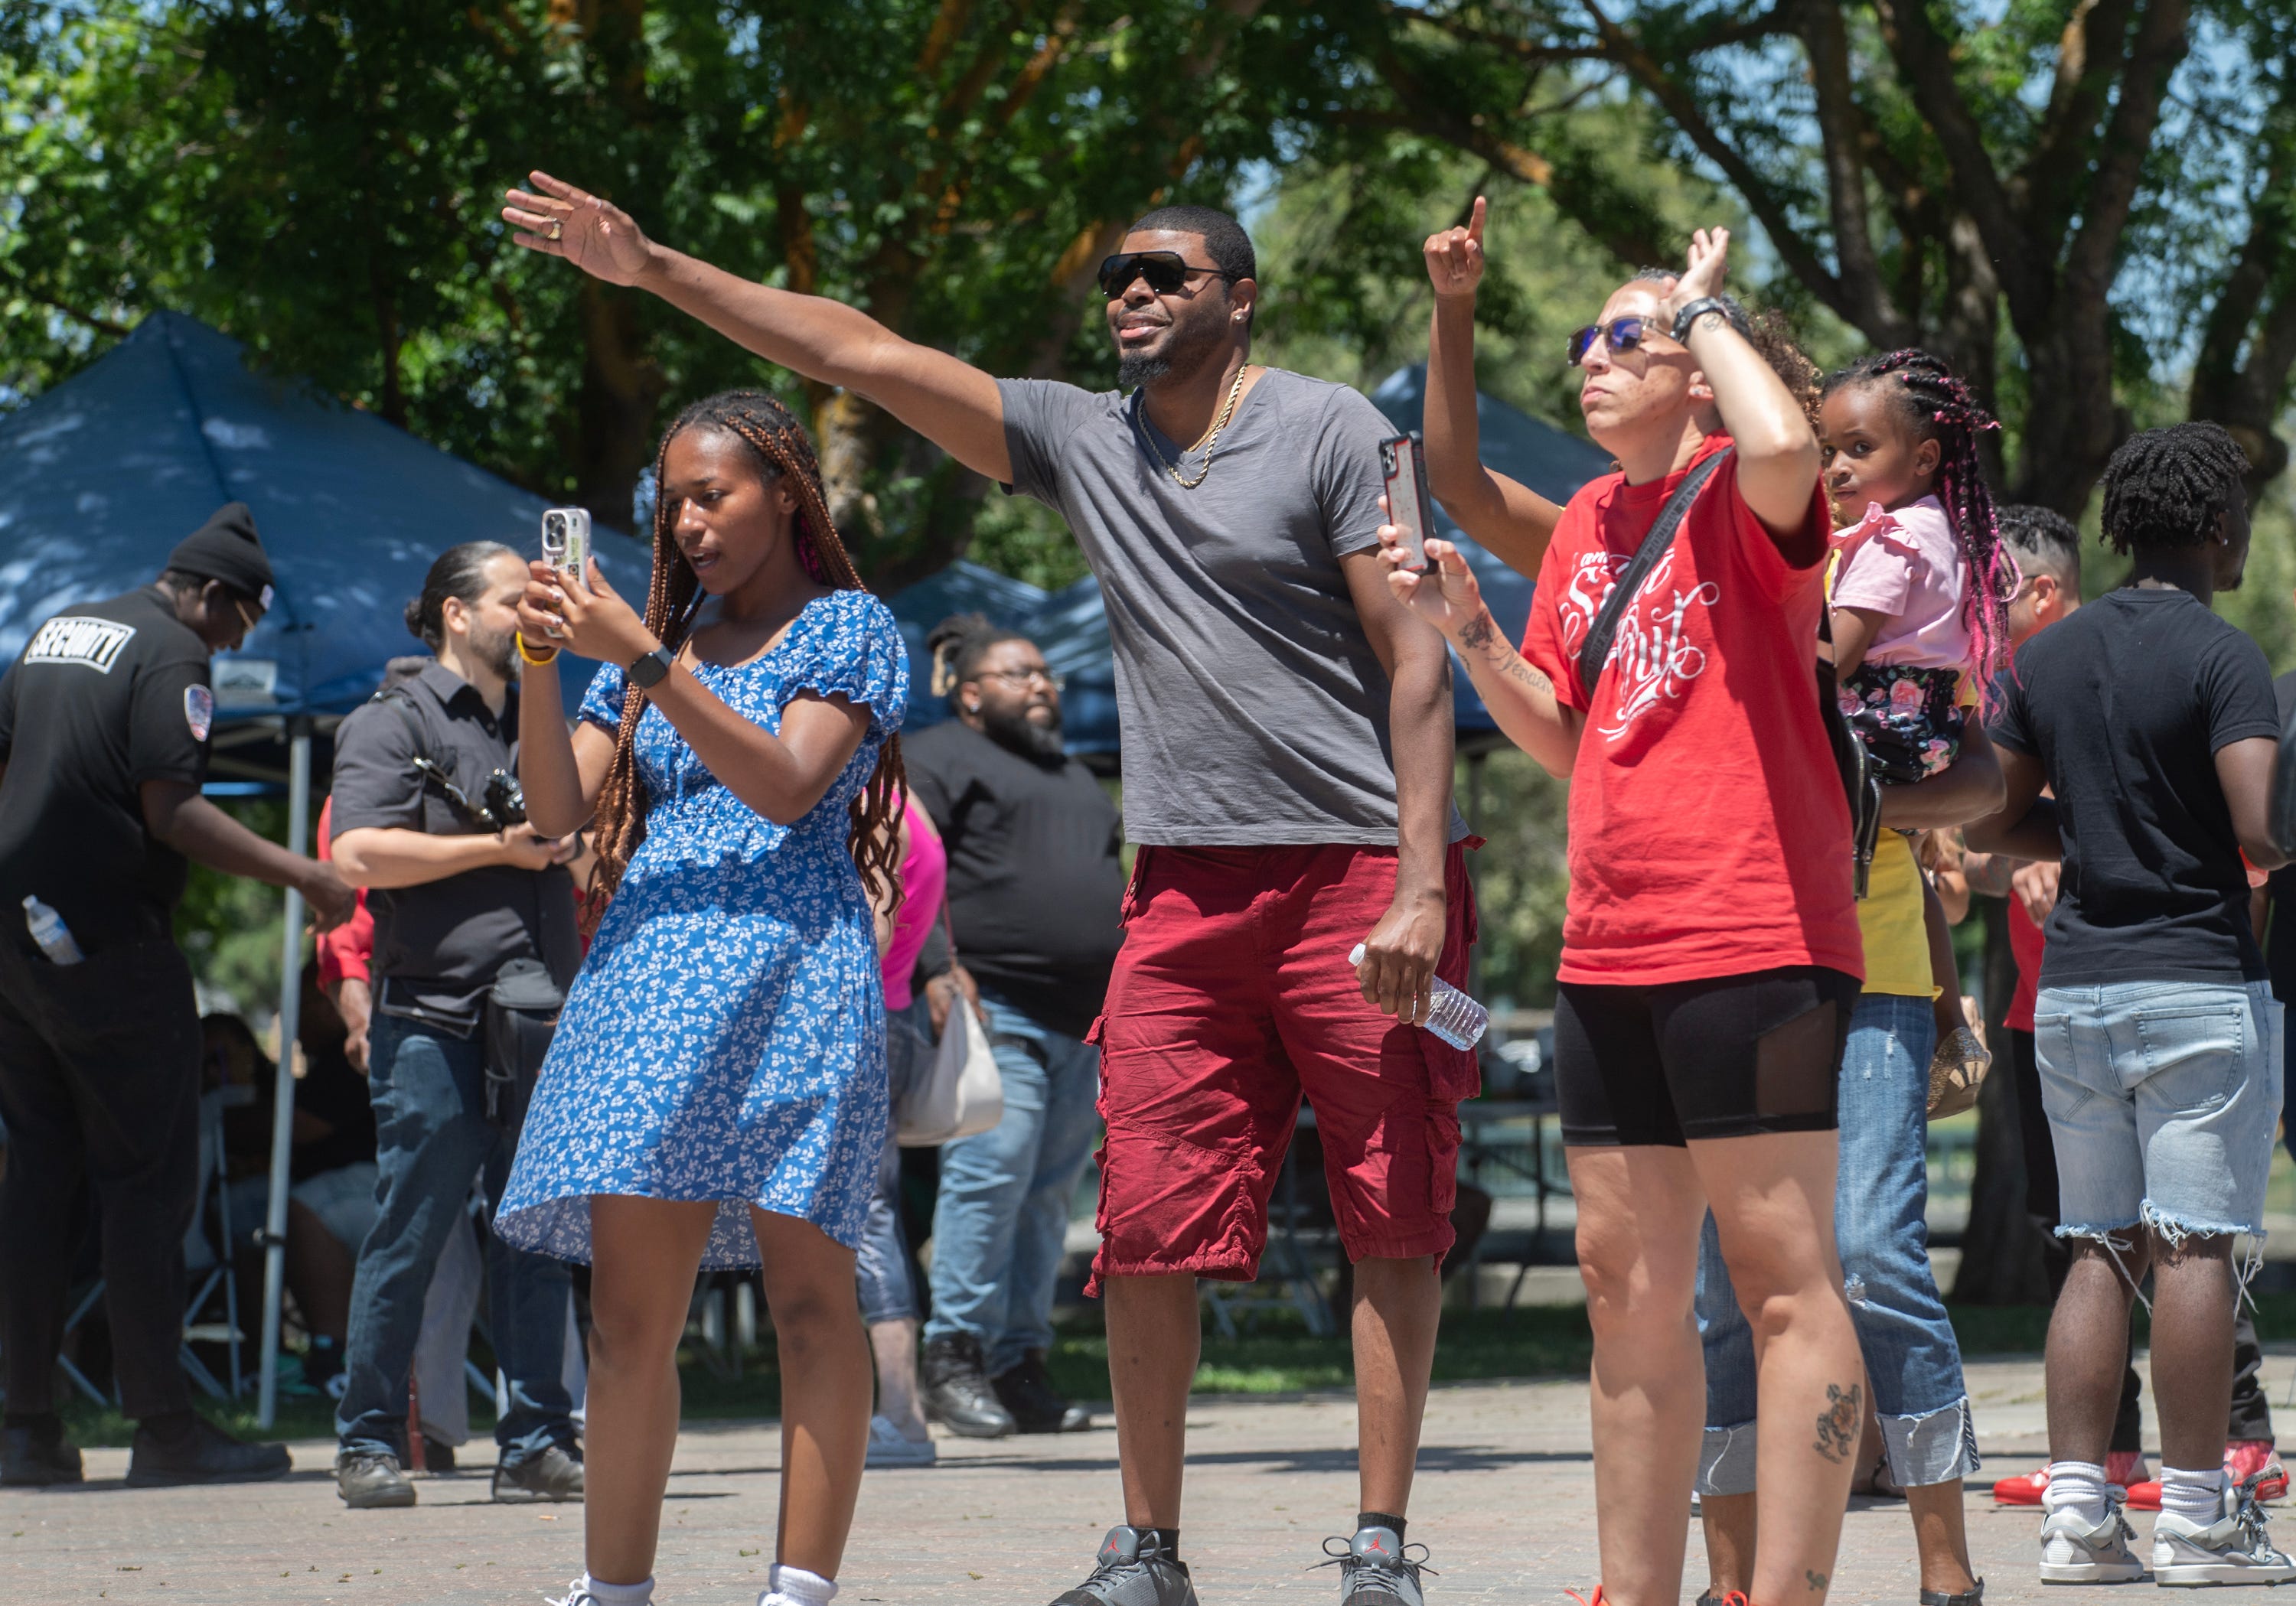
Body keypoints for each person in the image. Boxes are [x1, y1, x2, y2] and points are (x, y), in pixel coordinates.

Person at [501, 170, 1474, 1606]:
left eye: (1168, 273)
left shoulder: (1331, 423)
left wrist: (1421, 883)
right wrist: (653, 269)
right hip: (1188, 881)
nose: (1133, 293)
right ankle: (1148, 1548)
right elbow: (858, 353)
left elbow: (1412, 655)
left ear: (1240, 294)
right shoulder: (1085, 438)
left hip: (1355, 865)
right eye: (1120, 278)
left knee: (1394, 1198)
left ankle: (1380, 1541)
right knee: (1146, 1214)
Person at [1386, 219, 1867, 1606]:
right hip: (1610, 943)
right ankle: (1632, 1588)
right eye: (1587, 340)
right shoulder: (1593, 521)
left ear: (1702, 376)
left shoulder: (1741, 486)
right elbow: (1568, 735)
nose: (1592, 360)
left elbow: (1788, 444)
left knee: (1783, 1276)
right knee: (1623, 1286)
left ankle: (1787, 1589)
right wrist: (1474, 631)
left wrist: (1699, 308)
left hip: (1754, 930)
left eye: (1623, 339)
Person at [494, 391, 908, 1606]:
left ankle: (797, 1588)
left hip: (793, 973)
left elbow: (786, 783)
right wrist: (536, 662)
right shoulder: (651, 651)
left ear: (785, 489)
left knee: (810, 1300)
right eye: (670, 501)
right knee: (627, 1316)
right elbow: (559, 817)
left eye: (710, 494)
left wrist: (640, 655)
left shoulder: (851, 626)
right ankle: (614, 1588)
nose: (685, 522)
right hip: (649, 983)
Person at [1691, 350, 2021, 1606]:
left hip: (1868, 955)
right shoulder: (1729, 537)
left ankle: (1947, 1568)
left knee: (1878, 1253)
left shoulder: (1875, 555)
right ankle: (1739, 1579)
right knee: (1730, 1282)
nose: (1819, 464)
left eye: (1836, 444)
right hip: (1729, 956)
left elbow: (1981, 773)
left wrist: (1879, 806)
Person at [1969, 422, 2295, 1585]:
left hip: (2074, 990)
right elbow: (2259, 827)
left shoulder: (2045, 659)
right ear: (2215, 527)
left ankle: (2077, 1522)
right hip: (2198, 978)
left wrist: (2097, 834)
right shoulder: (2225, 656)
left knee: (2097, 1242)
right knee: (2198, 1241)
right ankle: (2201, 1518)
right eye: (2244, 515)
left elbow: (1997, 817)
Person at [0, 501, 354, 1489]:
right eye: (236, 619)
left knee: (35, 1183)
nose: (234, 639)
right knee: (145, 1183)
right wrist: (308, 876)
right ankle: (166, 1427)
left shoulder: (56, 630)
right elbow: (176, 810)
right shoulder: (171, 652)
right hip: (111, 945)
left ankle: (24, 1429)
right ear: (207, 591)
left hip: (15, 941)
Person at [324, 541, 587, 1509]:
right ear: (457, 615)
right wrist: (501, 848)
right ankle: (365, 1441)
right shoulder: (390, 721)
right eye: (517, 599)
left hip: (541, 1017)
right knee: (414, 1228)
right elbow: (356, 850)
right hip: (430, 1015)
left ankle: (535, 1440)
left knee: (536, 1231)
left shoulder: (544, 716)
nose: (534, 614)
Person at [905, 614, 1124, 1441]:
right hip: (994, 1004)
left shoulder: (1073, 775)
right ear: (968, 693)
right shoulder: (937, 755)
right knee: (989, 1180)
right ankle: (952, 1359)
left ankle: (1018, 1364)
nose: (1042, 685)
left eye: (1046, 675)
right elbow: (905, 857)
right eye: (1018, 674)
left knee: (1047, 1200)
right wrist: (935, 963)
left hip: (1085, 1021)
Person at [859, 787, 948, 1470]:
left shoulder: (864, 797)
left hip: (857, 1010)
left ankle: (898, 1408)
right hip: (889, 1010)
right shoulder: (904, 798)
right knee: (871, 1210)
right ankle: (893, 1407)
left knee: (864, 1214)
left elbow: (873, 913)